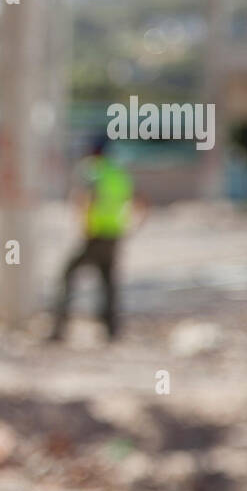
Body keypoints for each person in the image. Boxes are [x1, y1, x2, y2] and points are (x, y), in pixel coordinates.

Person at [47, 135, 148, 343]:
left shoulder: (92, 170)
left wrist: (84, 224)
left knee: (68, 275)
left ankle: (60, 327)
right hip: (114, 234)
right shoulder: (119, 173)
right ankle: (111, 330)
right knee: (108, 281)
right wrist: (133, 226)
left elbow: (85, 198)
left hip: (95, 234)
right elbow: (140, 201)